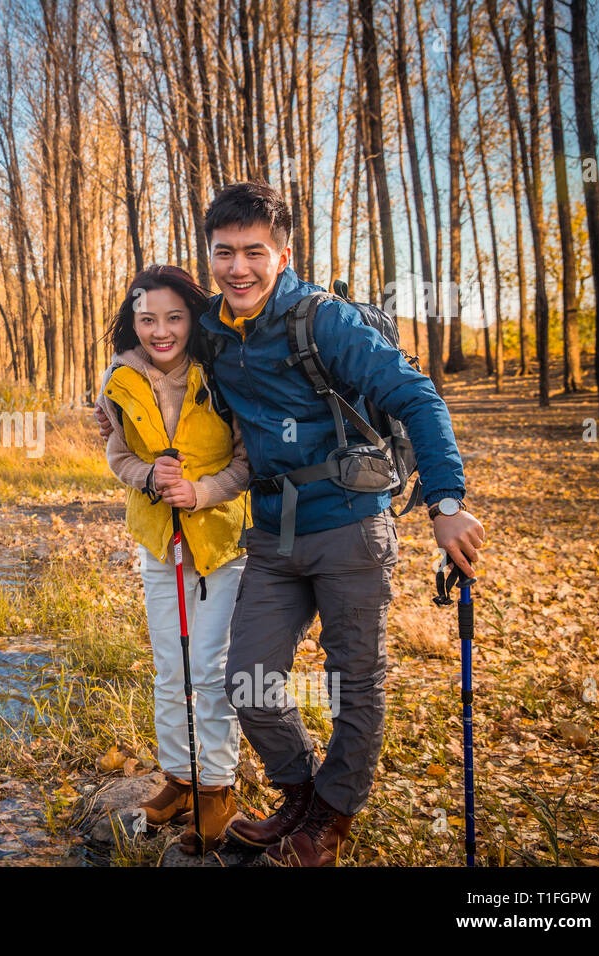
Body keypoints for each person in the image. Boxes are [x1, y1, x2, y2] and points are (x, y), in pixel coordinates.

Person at [97, 182, 486, 866]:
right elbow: (165, 363)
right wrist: (115, 408)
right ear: (210, 256)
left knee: (354, 679)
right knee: (245, 677)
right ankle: (300, 794)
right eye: (224, 253)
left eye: (254, 251)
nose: (237, 267)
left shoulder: (322, 320)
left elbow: (416, 395)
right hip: (272, 531)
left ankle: (332, 816)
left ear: (282, 253)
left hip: (350, 526)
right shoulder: (213, 326)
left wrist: (446, 505)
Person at [97, 264, 251, 854]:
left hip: (218, 543)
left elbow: (247, 461)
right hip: (159, 541)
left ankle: (218, 789)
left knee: (211, 670)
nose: (161, 331)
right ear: (132, 322)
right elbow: (118, 456)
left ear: (194, 317)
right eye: (147, 319)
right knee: (170, 668)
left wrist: (202, 491)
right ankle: (180, 779)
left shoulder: (224, 372)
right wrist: (148, 477)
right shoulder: (120, 379)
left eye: (174, 318)